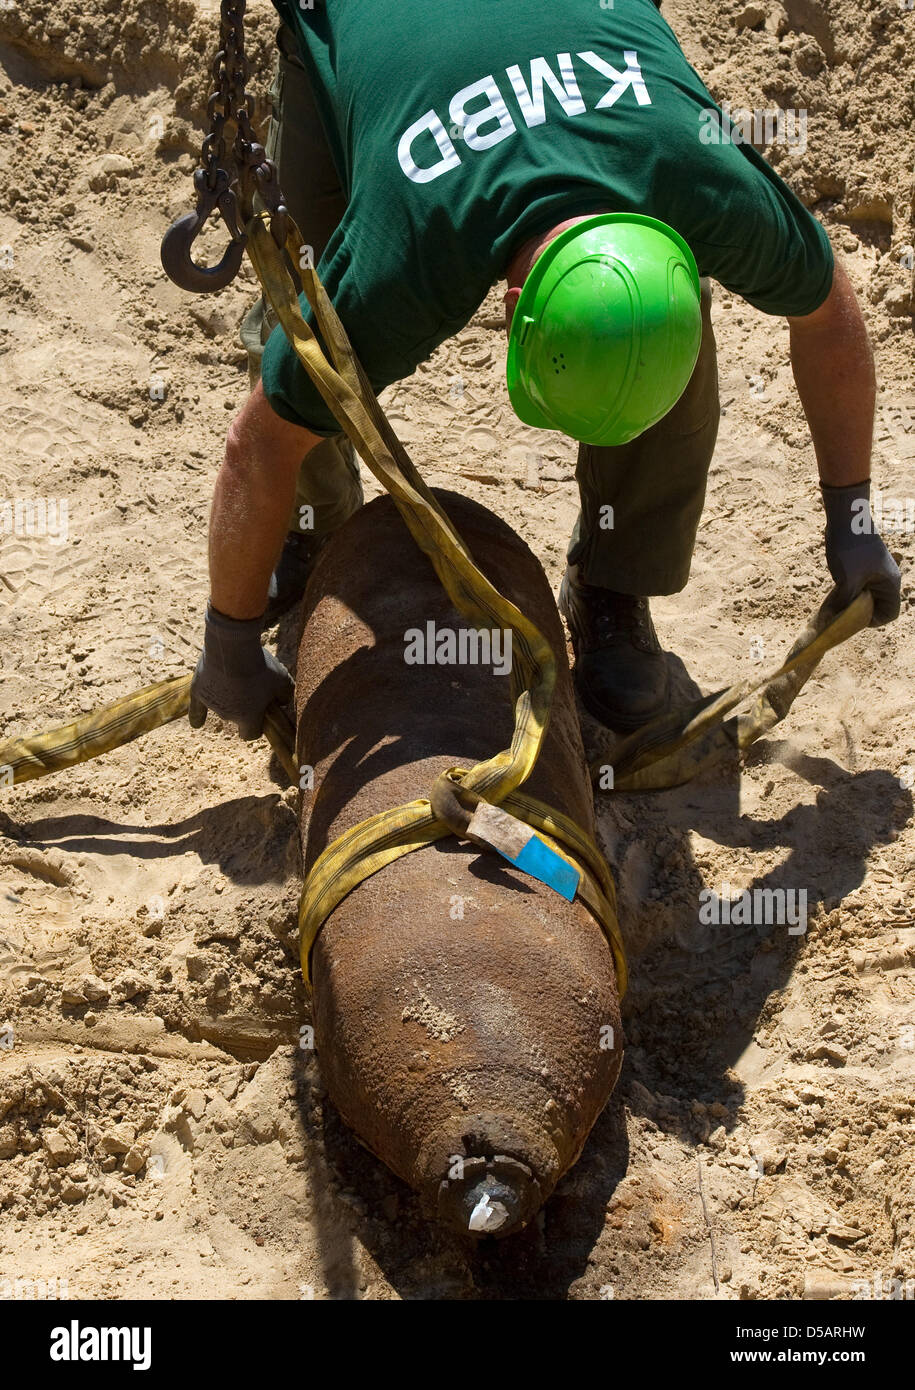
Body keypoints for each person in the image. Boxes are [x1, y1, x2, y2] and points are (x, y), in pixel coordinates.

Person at [189, 0, 901, 742]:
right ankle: (313, 531)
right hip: (346, 21)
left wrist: (853, 522)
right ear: (510, 304)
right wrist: (228, 643)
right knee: (305, 320)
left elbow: (825, 307)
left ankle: (613, 585)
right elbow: (261, 439)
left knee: (653, 329)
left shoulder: (699, 177)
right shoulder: (407, 256)